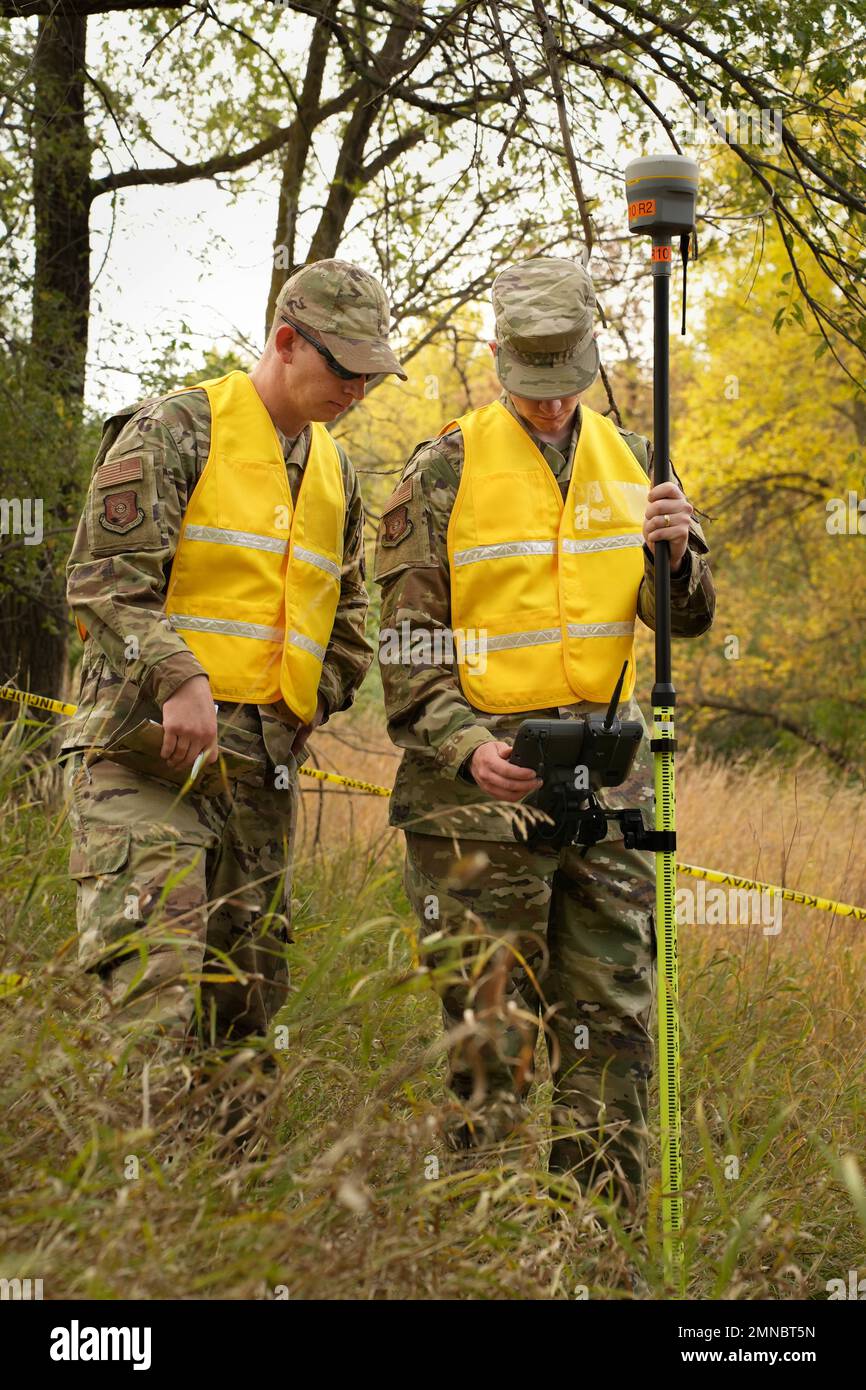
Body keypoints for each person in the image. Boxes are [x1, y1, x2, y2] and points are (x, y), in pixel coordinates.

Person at [373, 254, 715, 1222]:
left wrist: (679, 553)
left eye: (567, 384)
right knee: (493, 1030)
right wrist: (460, 742)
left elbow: (681, 621)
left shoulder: (640, 461)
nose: (553, 405)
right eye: (534, 386)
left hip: (607, 789)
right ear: (494, 360)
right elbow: (402, 639)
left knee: (611, 1020)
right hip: (475, 794)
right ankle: (479, 1239)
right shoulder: (437, 468)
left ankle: (593, 1241)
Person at [63, 259, 405, 1132]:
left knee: (244, 1012)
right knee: (154, 987)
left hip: (264, 776)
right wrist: (181, 678)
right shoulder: (175, 428)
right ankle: (124, 1227)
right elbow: (103, 581)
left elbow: (351, 612)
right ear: (286, 341)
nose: (359, 390)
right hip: (142, 756)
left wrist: (310, 698)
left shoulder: (337, 473)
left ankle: (224, 1239)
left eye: (373, 373)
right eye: (343, 368)